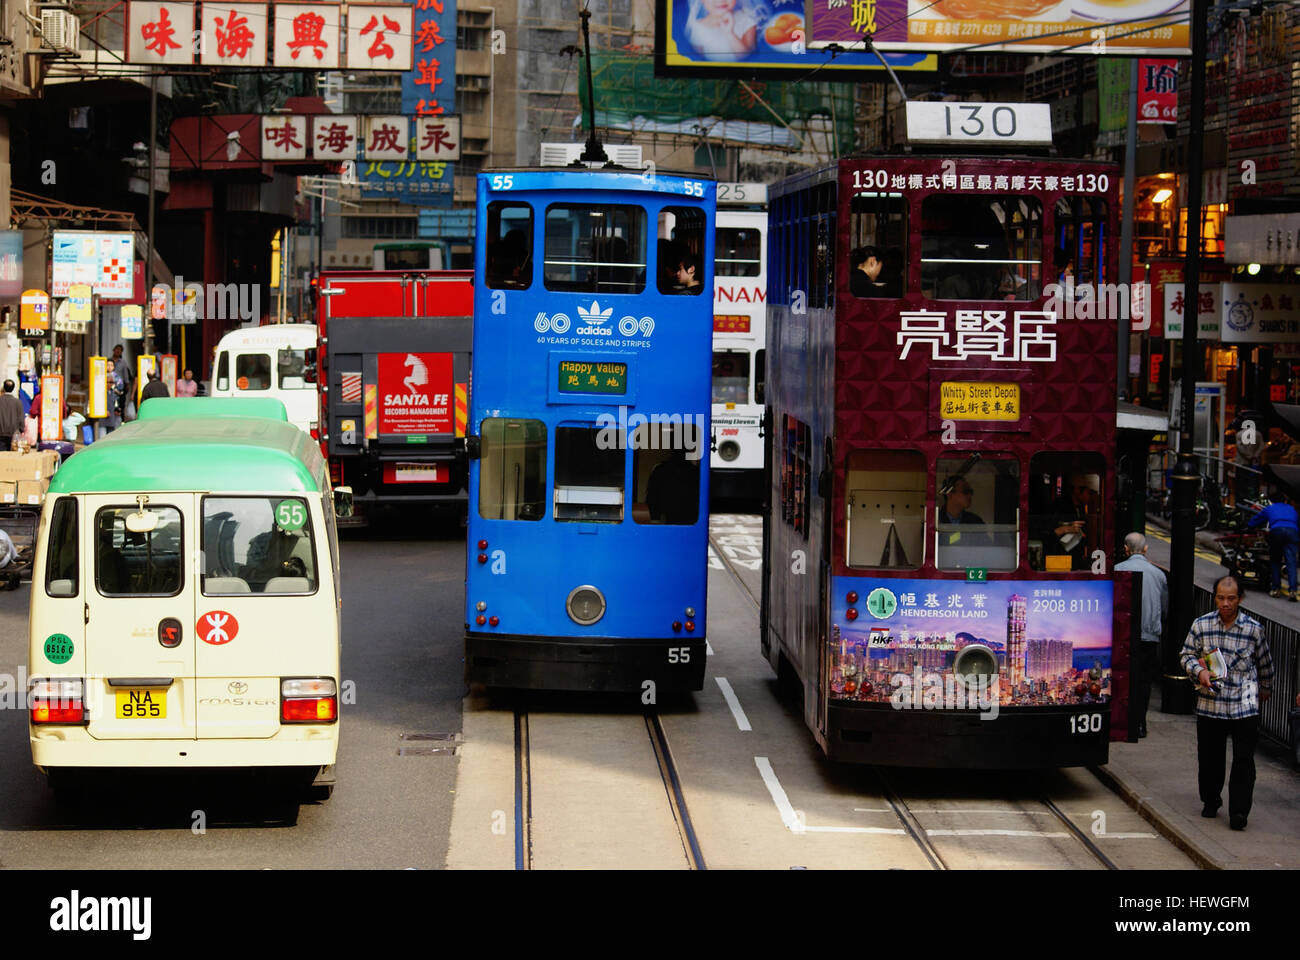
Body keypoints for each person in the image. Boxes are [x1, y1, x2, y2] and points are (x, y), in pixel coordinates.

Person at [1179, 575, 1274, 830]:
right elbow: (1186, 654)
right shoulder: (1201, 625)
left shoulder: (1254, 629)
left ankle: (1239, 812)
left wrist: (1265, 687)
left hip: (1244, 704)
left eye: (1231, 598)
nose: (1225, 603)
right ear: (1215, 597)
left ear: (1240, 599)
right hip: (1212, 703)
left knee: (1244, 760)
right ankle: (1211, 800)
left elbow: (1265, 662)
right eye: (1221, 598)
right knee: (1210, 757)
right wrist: (1198, 672)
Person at [1115, 532, 1168, 738]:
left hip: (1123, 638)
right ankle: (1139, 724)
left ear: (1126, 549)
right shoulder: (1159, 575)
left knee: (1123, 680)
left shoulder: (1117, 570)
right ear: (1145, 549)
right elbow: (1164, 610)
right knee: (1143, 683)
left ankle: (1122, 723)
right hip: (1148, 638)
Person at [1040, 473, 1099, 571]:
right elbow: (1046, 534)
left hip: (1074, 560)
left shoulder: (1081, 509)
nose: (1090, 497)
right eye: (1089, 493)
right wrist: (1066, 528)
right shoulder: (1058, 506)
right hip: (1057, 561)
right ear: (1077, 490)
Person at [1246, 493, 1299, 601]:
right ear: (1285, 501)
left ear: (1273, 501)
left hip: (1277, 531)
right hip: (1292, 532)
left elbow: (1255, 521)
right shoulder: (1292, 509)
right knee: (1291, 562)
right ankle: (1293, 591)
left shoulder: (1270, 508)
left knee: (1275, 561)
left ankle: (1276, 589)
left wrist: (1249, 526)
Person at [685, 0, 757, 61]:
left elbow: (748, 58)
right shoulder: (697, 28)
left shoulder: (747, 20)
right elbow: (697, 60)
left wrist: (730, 34)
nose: (720, 0)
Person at [937, 475, 985, 546]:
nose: (969, 496)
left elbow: (986, 545)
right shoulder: (935, 520)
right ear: (950, 495)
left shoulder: (975, 521)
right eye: (965, 491)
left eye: (971, 492)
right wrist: (960, 536)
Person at [0, 380, 24, 451]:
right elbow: (21, 419)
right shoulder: (18, 402)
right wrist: (21, 430)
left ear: (4, 388)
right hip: (14, 434)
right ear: (13, 388)